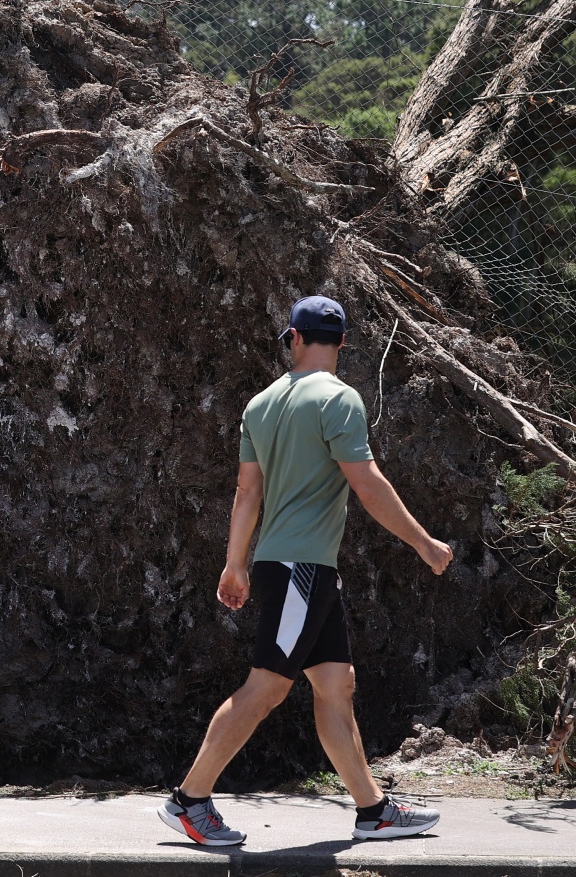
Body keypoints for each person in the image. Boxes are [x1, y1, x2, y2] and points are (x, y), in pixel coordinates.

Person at [157, 295, 454, 847]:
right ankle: (189, 801)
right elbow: (366, 483)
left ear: (292, 339)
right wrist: (423, 542)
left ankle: (373, 811)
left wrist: (235, 564)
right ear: (341, 343)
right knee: (266, 688)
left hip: (293, 567)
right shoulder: (339, 399)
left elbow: (247, 493)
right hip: (301, 572)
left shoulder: (260, 403)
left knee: (336, 685)